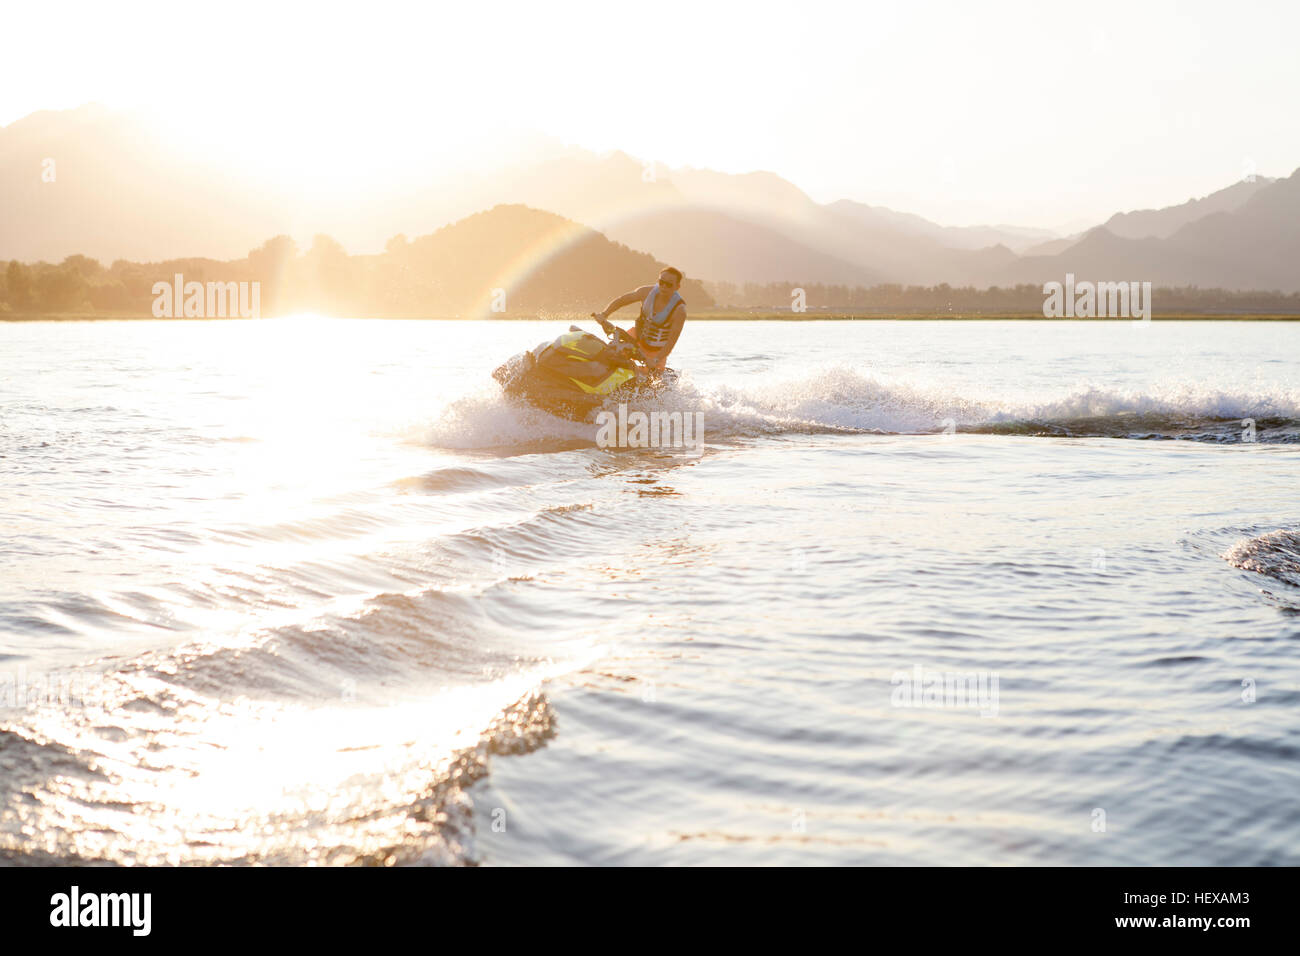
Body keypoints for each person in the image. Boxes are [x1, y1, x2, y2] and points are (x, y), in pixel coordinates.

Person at [593, 267, 687, 374]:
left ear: (677, 287)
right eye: (661, 282)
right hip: (635, 338)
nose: (664, 286)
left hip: (656, 352)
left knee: (652, 382)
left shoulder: (679, 310)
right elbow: (622, 300)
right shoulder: (645, 292)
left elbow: (671, 342)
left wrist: (656, 360)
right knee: (610, 355)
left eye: (669, 284)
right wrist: (604, 314)